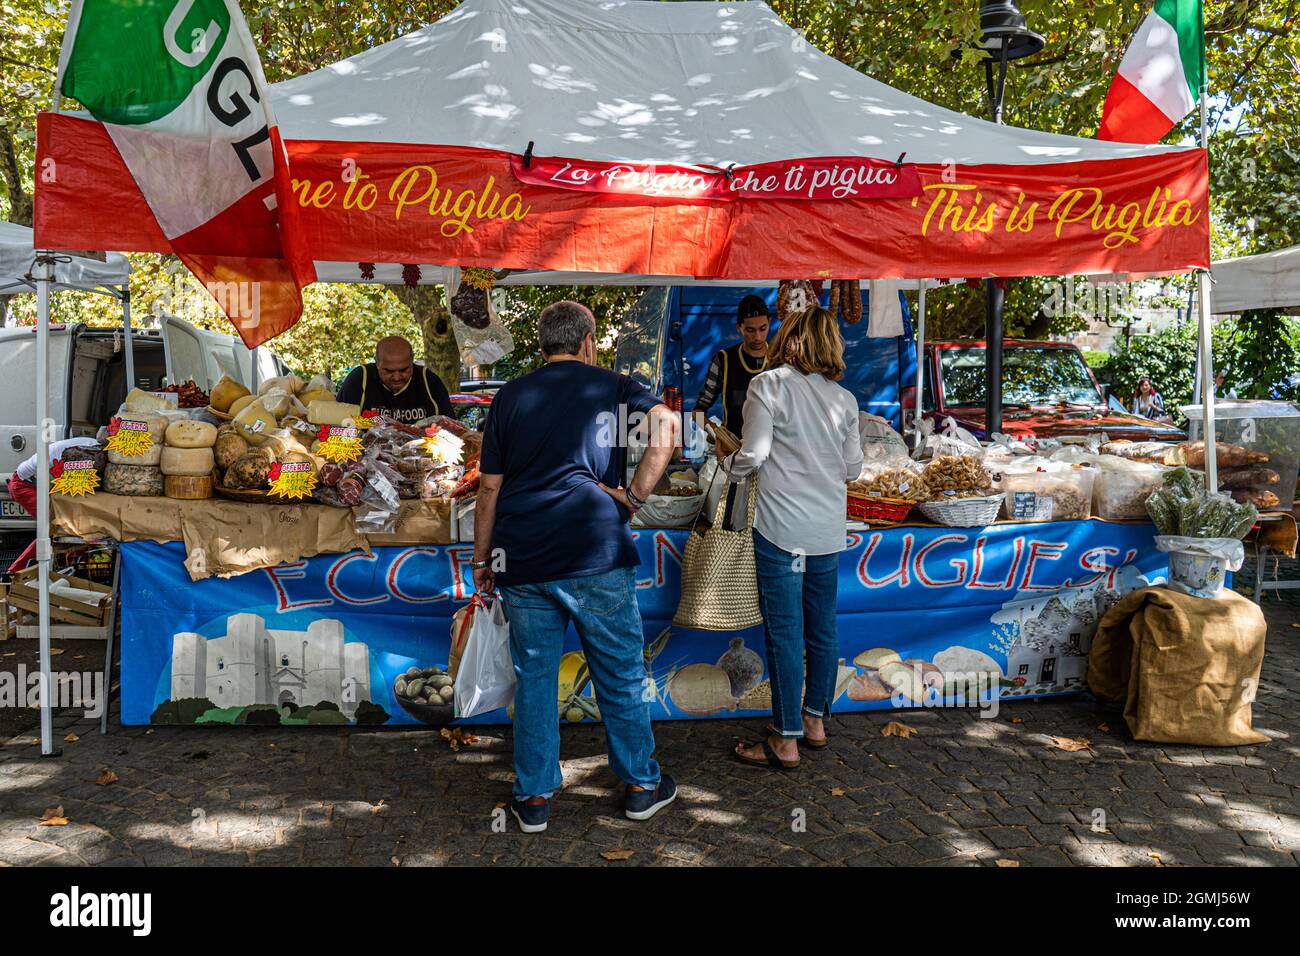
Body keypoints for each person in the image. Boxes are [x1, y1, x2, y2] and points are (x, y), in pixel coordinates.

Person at [473, 300, 680, 833]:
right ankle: (640, 785)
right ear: (588, 341)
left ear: (539, 346)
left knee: (536, 678)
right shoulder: (612, 385)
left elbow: (489, 488)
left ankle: (534, 798)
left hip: (523, 553)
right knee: (619, 672)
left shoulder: (510, 396)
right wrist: (633, 499)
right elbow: (669, 428)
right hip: (595, 550)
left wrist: (482, 558)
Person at [727, 306, 864, 770]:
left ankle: (785, 740)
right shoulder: (844, 399)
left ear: (788, 340)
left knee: (785, 633)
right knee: (822, 629)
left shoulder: (767, 385)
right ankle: (814, 721)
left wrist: (729, 467)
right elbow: (853, 469)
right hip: (827, 531)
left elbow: (754, 454)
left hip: (783, 532)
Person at [5, 436, 99, 573]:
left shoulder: (93, 446)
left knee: (73, 525)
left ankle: (71, 569)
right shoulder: (91, 455)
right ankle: (13, 574)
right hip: (24, 485)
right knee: (53, 528)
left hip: (39, 483)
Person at [692, 294, 771, 437]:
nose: (758, 337)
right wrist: (716, 433)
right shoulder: (723, 359)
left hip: (775, 451)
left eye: (763, 328)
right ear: (738, 327)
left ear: (769, 323)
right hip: (734, 450)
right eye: (750, 330)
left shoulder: (780, 359)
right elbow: (697, 412)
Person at [335, 335, 452, 423]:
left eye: (404, 370)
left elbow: (450, 429)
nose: (397, 377)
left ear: (412, 361)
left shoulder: (430, 382)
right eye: (388, 371)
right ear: (377, 364)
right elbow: (338, 424)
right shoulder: (359, 380)